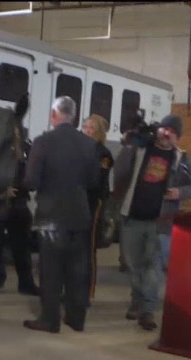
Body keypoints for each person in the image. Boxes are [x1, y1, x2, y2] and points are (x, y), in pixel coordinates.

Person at [22, 96, 101, 333]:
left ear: (54, 115)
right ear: (74, 117)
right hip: (79, 214)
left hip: (51, 216)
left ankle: (50, 319)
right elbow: (93, 181)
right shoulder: (89, 144)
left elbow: (31, 181)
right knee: (77, 270)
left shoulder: (42, 142)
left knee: (51, 270)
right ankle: (76, 319)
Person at [113, 114, 191, 331]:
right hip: (132, 217)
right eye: (165, 128)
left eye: (173, 132)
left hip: (161, 222)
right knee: (132, 264)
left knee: (154, 266)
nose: (167, 133)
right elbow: (119, 172)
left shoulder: (181, 158)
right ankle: (137, 298)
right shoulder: (141, 149)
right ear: (158, 129)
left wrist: (179, 192)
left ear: (177, 137)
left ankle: (147, 310)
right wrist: (129, 144)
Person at [0, 129, 38, 296]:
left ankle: (26, 283)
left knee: (22, 247)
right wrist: (1, 193)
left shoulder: (27, 149)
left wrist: (25, 186)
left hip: (19, 204)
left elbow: (32, 175)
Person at [81, 114, 114, 301]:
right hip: (78, 202)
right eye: (85, 127)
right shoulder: (79, 148)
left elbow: (100, 179)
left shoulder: (104, 154)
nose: (87, 130)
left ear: (99, 131)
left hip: (94, 203)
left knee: (89, 248)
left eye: (91, 128)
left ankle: (88, 293)